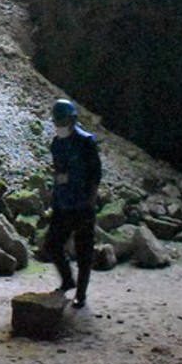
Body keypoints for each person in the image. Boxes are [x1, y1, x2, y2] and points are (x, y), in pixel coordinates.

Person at [42, 98, 102, 308]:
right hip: (64, 202)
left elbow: (96, 173)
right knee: (51, 244)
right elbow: (58, 172)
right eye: (56, 121)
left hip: (82, 203)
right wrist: (55, 197)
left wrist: (90, 201)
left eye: (62, 120)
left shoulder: (86, 142)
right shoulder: (57, 144)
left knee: (84, 250)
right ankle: (68, 280)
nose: (58, 124)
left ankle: (81, 294)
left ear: (73, 119)